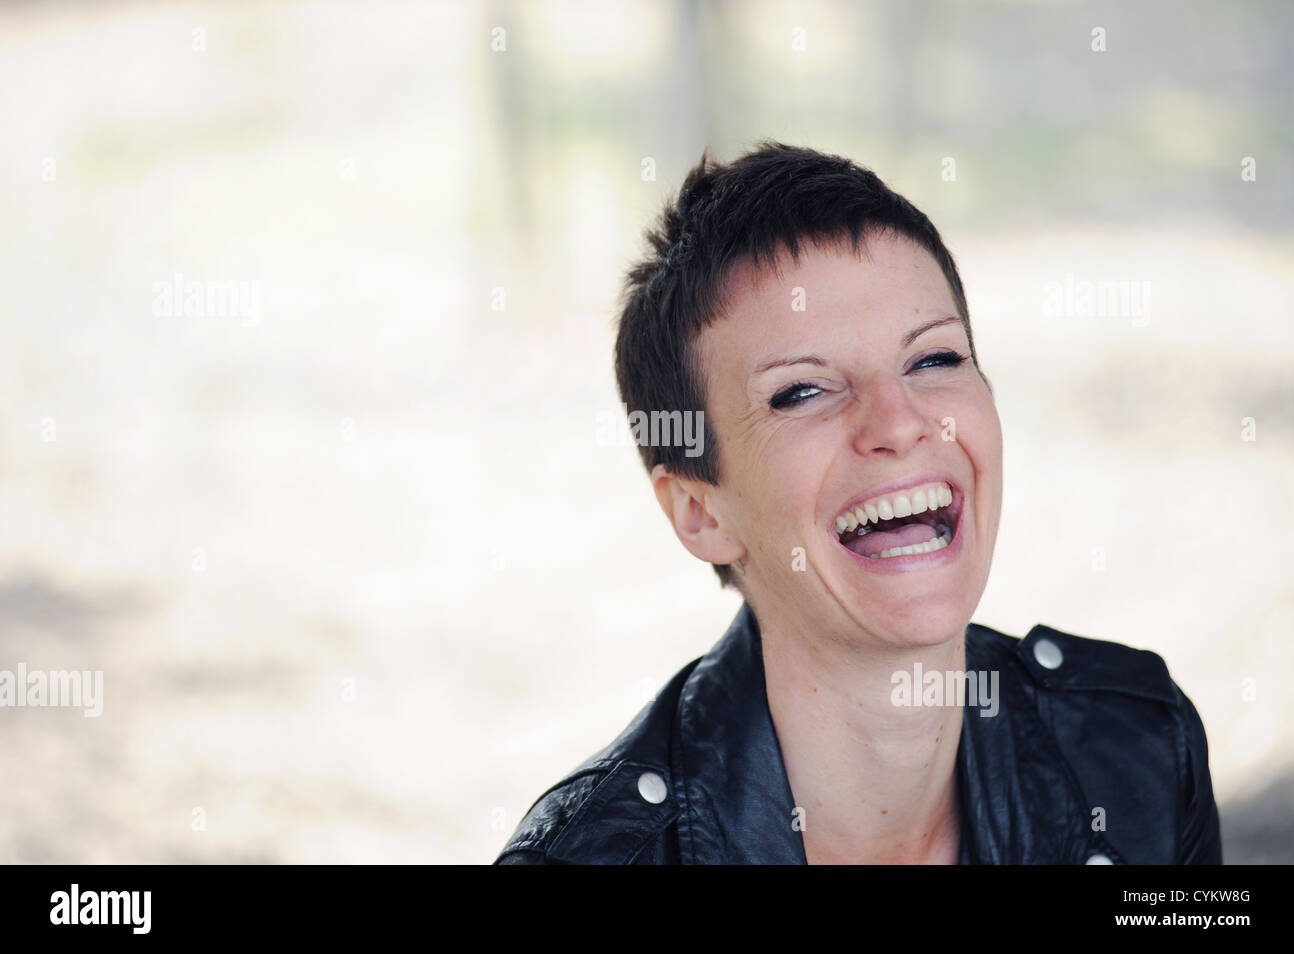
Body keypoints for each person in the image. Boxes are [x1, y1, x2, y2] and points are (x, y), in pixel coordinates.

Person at [494, 142, 1221, 865]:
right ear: (699, 512)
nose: (902, 422)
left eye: (933, 359)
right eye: (802, 391)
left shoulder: (1141, 753)